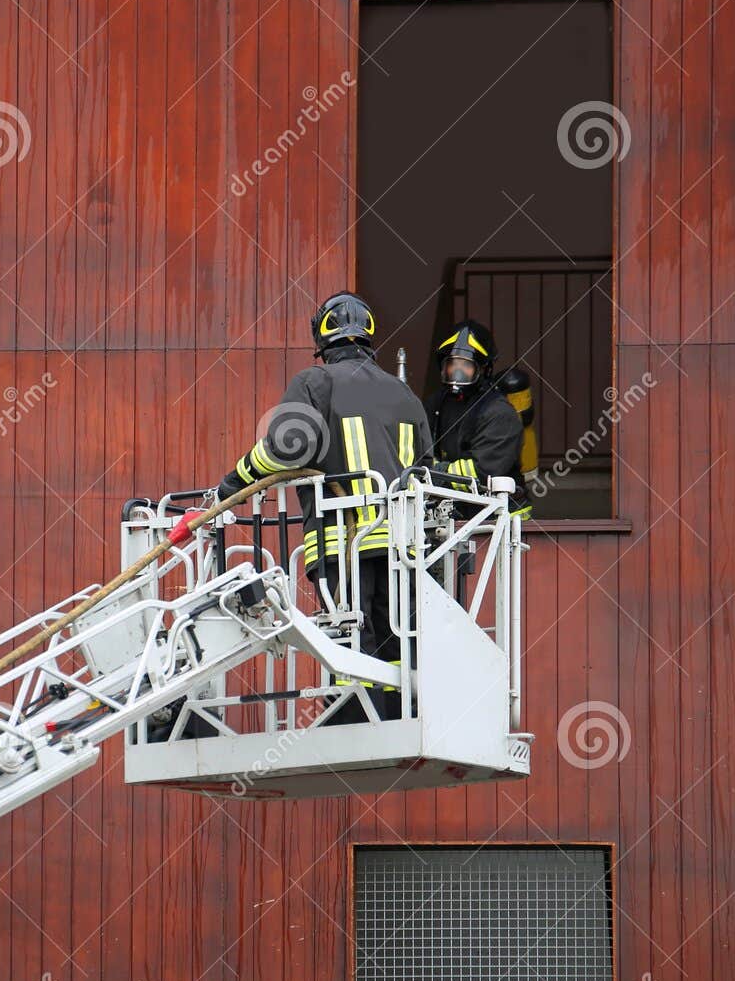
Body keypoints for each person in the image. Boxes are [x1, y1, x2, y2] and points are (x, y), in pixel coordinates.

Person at [216, 292, 431, 721]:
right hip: (403, 546)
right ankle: (398, 714)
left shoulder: (317, 383)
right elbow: (425, 468)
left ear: (322, 337)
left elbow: (284, 449)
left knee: (349, 630)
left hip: (342, 539)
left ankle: (355, 714)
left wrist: (233, 483)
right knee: (395, 636)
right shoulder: (406, 395)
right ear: (368, 335)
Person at [424, 319, 532, 519]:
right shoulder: (437, 403)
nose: (458, 371)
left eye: (466, 365)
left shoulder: (500, 414)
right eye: (452, 364)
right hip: (458, 513)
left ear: (484, 368)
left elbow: (482, 472)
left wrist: (434, 472)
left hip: (503, 519)